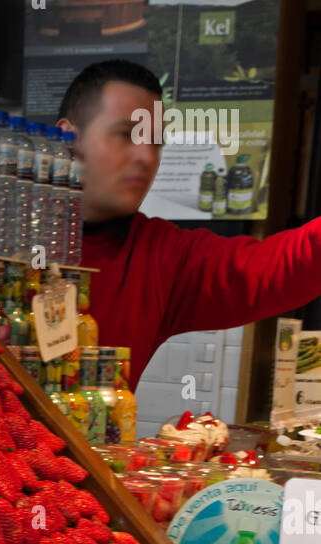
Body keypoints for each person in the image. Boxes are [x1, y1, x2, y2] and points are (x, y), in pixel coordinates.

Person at [56, 59, 321, 391]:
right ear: (68, 136)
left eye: (155, 142)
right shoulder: (0, 235)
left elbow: (278, 266)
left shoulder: (160, 254)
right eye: (127, 134)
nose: (147, 157)